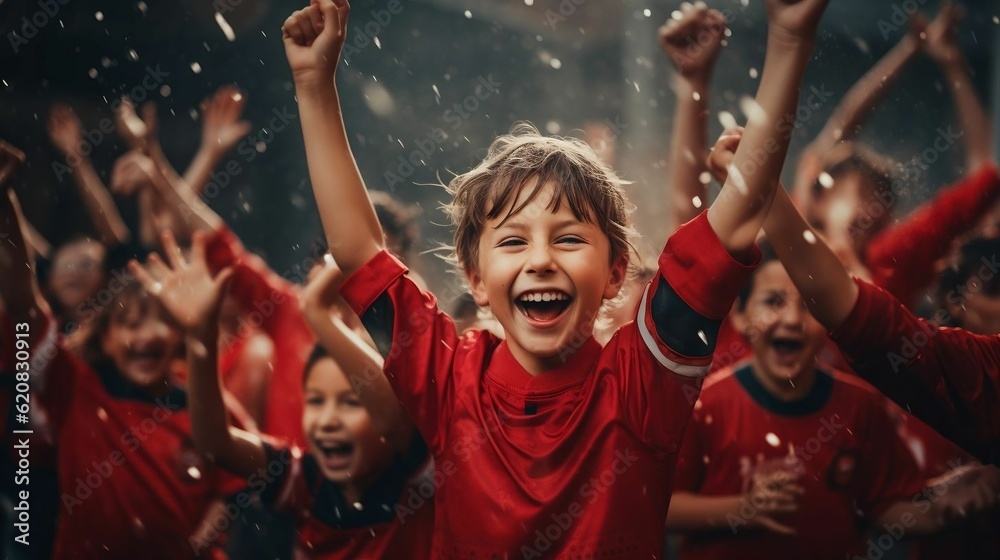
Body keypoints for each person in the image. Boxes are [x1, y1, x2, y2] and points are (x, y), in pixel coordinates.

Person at [282, 0, 829, 556]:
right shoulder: (448, 378)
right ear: (475, 278)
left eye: (568, 238)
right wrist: (312, 82)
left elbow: (736, 218)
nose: (541, 259)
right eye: (514, 240)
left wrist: (788, 39)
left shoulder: (643, 383)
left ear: (617, 272)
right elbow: (357, 250)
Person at [666, 244, 992, 559]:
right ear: (740, 316)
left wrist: (940, 507)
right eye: (774, 301)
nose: (792, 319)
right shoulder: (705, 406)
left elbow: (881, 504)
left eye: (808, 304)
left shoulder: (860, 406)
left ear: (829, 316)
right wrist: (741, 509)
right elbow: (661, 505)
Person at [131, 232, 433, 559]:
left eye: (351, 402)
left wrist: (319, 311)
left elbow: (394, 421)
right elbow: (215, 444)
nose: (327, 420)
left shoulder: (419, 476)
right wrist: (201, 336)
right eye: (315, 401)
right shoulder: (305, 480)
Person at [0, 170, 244, 559]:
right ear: (105, 339)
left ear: (180, 334)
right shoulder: (76, 388)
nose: (146, 334)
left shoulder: (208, 408)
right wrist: (5, 198)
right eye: (130, 323)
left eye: (161, 321)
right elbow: (22, 305)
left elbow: (230, 490)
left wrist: (198, 541)